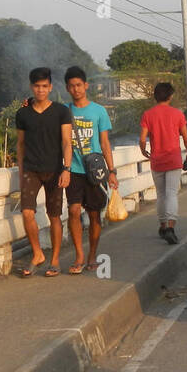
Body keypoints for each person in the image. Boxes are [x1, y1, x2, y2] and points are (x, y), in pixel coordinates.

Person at [15, 67, 72, 277]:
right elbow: (20, 144)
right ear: (32, 87)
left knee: (54, 216)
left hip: (56, 169)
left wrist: (67, 168)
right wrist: (21, 172)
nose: (40, 90)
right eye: (37, 86)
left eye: (44, 86)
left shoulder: (61, 111)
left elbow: (67, 142)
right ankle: (38, 254)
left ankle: (55, 260)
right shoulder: (23, 113)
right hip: (31, 169)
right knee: (27, 213)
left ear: (50, 87)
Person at [63, 66, 115, 275]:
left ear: (86, 86)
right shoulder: (64, 112)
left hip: (95, 172)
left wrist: (112, 171)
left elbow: (104, 143)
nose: (76, 89)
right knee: (73, 211)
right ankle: (79, 255)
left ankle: (92, 254)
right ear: (67, 88)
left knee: (95, 216)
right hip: (73, 170)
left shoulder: (99, 111)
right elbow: (64, 140)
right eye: (71, 86)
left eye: (79, 85)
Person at [139, 81, 187, 245]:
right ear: (170, 96)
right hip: (173, 159)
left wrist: (143, 150)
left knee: (161, 194)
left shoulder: (148, 114)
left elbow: (142, 139)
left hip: (157, 160)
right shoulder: (177, 114)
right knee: (171, 194)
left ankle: (162, 226)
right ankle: (170, 227)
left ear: (155, 96)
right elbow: (186, 137)